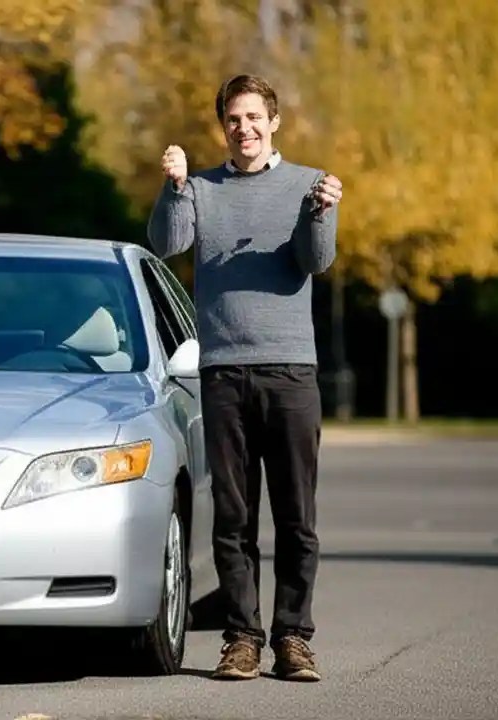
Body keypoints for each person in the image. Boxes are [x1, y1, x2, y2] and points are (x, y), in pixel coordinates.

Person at [145, 74, 341, 682]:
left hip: (290, 371)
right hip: (223, 371)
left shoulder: (308, 184)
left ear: (273, 121)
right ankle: (242, 639)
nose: (245, 129)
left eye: (254, 117)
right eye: (234, 120)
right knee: (233, 516)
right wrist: (175, 187)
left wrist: (320, 213)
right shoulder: (201, 187)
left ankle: (294, 638)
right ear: (223, 126)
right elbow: (167, 242)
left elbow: (317, 260)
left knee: (295, 516)